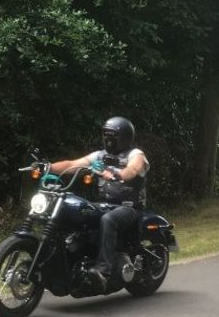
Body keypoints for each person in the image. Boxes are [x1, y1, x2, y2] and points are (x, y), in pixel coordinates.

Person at [49, 116, 149, 288]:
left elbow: (132, 170)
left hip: (129, 208)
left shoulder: (136, 154)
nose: (108, 139)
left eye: (112, 135)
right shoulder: (100, 156)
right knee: (75, 210)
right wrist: (48, 167)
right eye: (106, 135)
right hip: (105, 205)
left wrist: (117, 174)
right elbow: (72, 164)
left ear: (124, 136)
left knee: (108, 219)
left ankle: (103, 270)